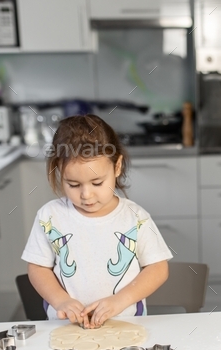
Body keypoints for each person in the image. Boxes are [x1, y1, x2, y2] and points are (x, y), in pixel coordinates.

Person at [21, 114, 171, 328]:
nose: (86, 195)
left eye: (97, 183)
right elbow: (38, 268)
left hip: (124, 323)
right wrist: (60, 300)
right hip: (66, 326)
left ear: (117, 167)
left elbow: (158, 268)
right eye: (73, 184)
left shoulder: (136, 218)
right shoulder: (50, 217)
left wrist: (120, 301)